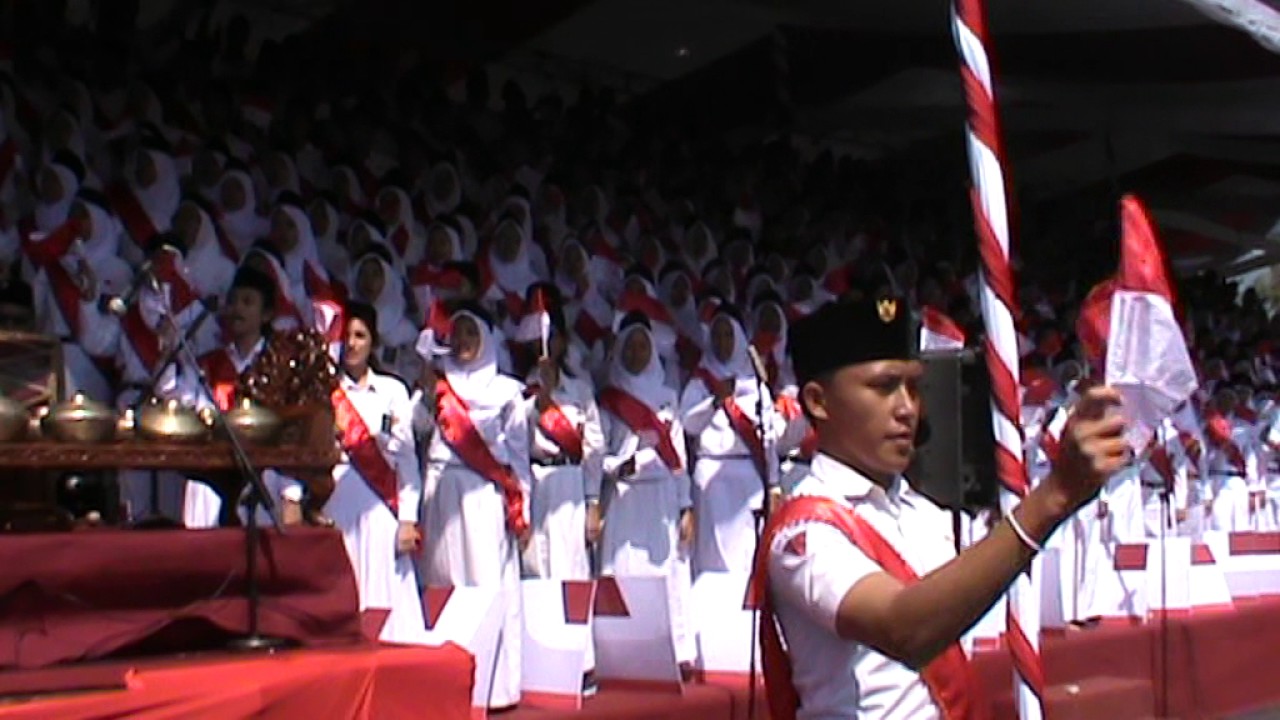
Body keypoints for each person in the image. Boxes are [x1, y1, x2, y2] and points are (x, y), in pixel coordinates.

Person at [754, 296, 1130, 720]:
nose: (907, 408)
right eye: (883, 387)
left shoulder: (923, 510)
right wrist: (1052, 497)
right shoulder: (803, 534)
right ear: (818, 402)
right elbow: (904, 628)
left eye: (914, 387)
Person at [416, 303, 531, 710]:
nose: (463, 342)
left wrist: (523, 507)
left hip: (484, 495)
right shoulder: (438, 385)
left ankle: (492, 687)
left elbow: (518, 456)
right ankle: (442, 682)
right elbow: (417, 430)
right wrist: (424, 395)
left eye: (471, 334)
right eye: (458, 333)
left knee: (485, 585)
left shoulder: (506, 392)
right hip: (442, 491)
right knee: (444, 580)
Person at [597, 312, 697, 669]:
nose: (637, 353)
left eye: (643, 346)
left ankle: (675, 651)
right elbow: (598, 457)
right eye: (631, 346)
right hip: (624, 496)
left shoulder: (668, 397)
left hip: (662, 499)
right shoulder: (608, 399)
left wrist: (687, 506)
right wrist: (617, 466)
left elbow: (679, 456)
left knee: (666, 570)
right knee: (622, 568)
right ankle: (621, 650)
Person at [327, 301, 427, 644]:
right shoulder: (323, 391)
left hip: (382, 509)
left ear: (372, 342)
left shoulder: (393, 391)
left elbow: (407, 461)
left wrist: (409, 518)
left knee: (387, 600)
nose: (351, 344)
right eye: (345, 336)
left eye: (359, 336)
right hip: (336, 507)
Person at [680, 306, 779, 575]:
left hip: (747, 474)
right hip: (711, 473)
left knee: (746, 552)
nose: (722, 342)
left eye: (728, 335)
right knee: (711, 554)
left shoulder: (756, 386)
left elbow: (769, 438)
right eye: (717, 336)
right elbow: (688, 425)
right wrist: (715, 401)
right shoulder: (700, 382)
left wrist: (774, 484)